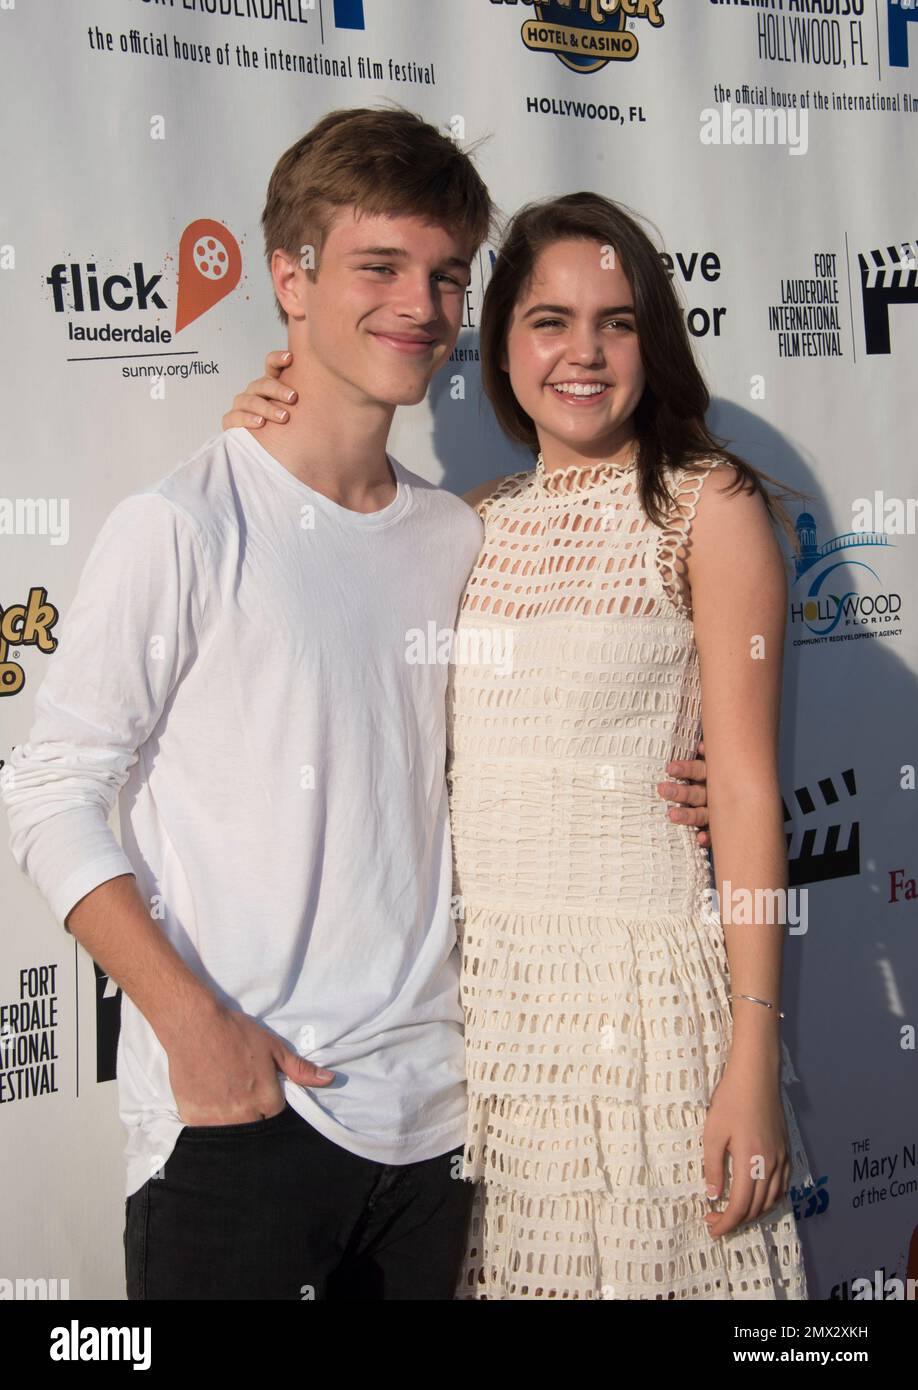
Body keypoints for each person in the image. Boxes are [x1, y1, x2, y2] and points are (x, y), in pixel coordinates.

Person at [3, 109, 709, 1301]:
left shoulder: (455, 532)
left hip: (440, 1130)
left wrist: (676, 775)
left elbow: (543, 717)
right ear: (291, 277)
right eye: (379, 267)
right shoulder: (182, 525)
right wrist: (192, 1027)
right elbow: (48, 787)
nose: (421, 307)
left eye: (445, 276)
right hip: (243, 1121)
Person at [226, 190, 814, 1300]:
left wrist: (752, 1054)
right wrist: (257, 423)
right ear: (499, 344)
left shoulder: (707, 504)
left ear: (655, 342)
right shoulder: (468, 519)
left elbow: (741, 788)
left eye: (618, 321)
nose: (582, 353)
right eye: (550, 320)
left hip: (648, 1017)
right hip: (492, 1026)